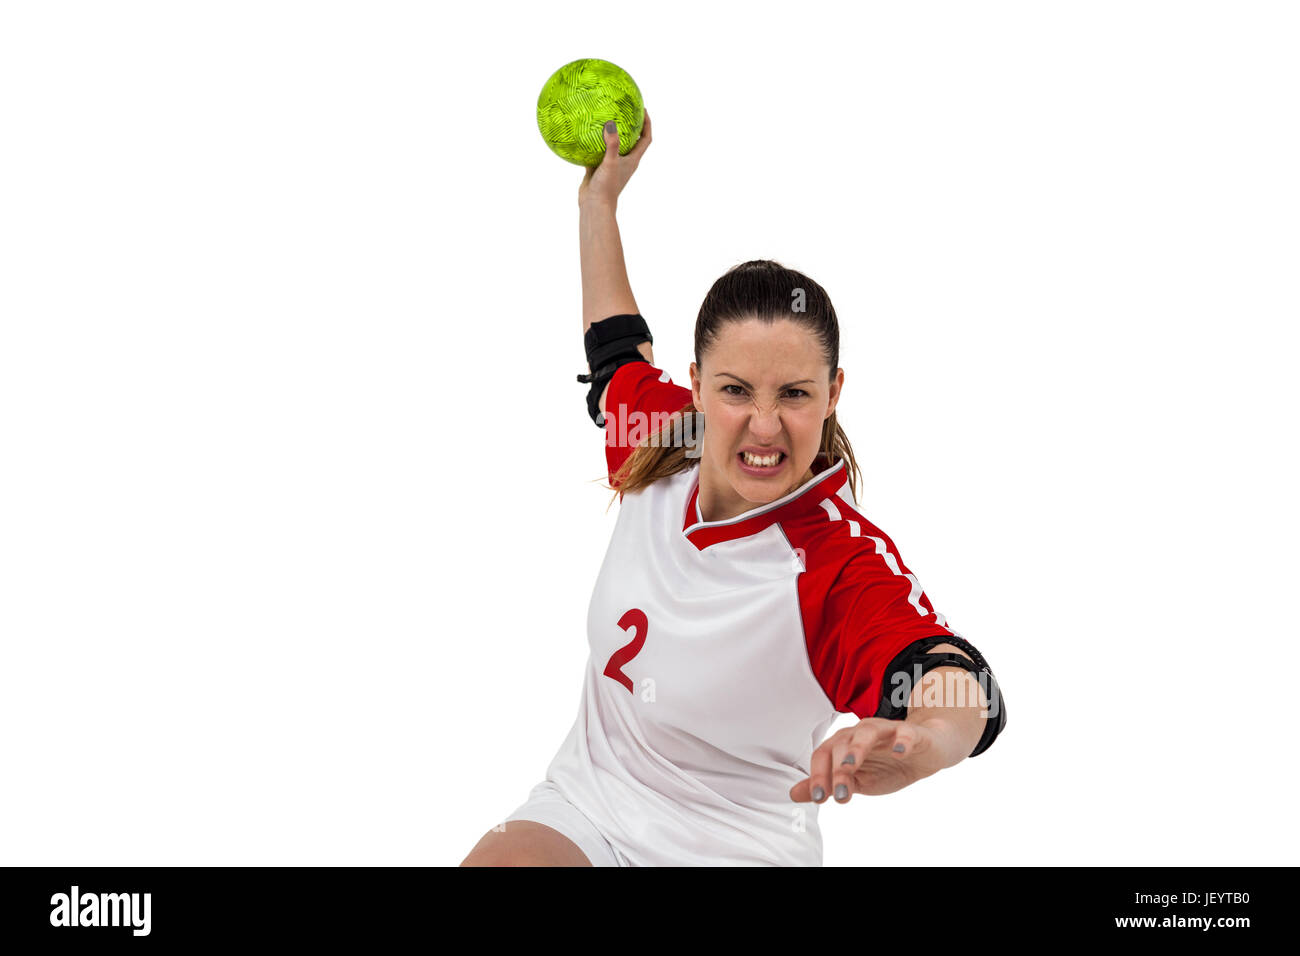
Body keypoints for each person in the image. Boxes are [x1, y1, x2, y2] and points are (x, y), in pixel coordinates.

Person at [461, 111, 1006, 867]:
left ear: (834, 393)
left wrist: (926, 741)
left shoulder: (834, 562)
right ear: (695, 386)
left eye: (794, 394)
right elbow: (616, 354)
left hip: (737, 846)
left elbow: (951, 675)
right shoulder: (667, 439)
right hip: (589, 806)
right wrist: (598, 203)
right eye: (735, 390)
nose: (763, 425)